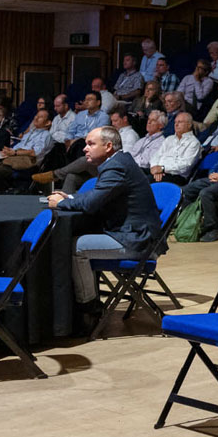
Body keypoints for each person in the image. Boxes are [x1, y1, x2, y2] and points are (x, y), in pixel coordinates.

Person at [47, 126, 163, 329]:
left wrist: (62, 203)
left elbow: (92, 204)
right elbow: (98, 195)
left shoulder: (116, 167)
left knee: (76, 247)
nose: (85, 148)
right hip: (133, 234)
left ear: (108, 146)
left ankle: (89, 309)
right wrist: (71, 197)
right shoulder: (119, 161)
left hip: (137, 240)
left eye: (91, 144)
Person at [148, 112, 201, 184]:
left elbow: (185, 165)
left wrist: (162, 169)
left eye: (180, 122)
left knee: (145, 181)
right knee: (138, 173)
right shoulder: (169, 139)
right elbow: (156, 156)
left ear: (189, 125)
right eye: (175, 122)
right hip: (158, 172)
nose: (176, 124)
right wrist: (155, 168)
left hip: (176, 176)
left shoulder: (194, 142)